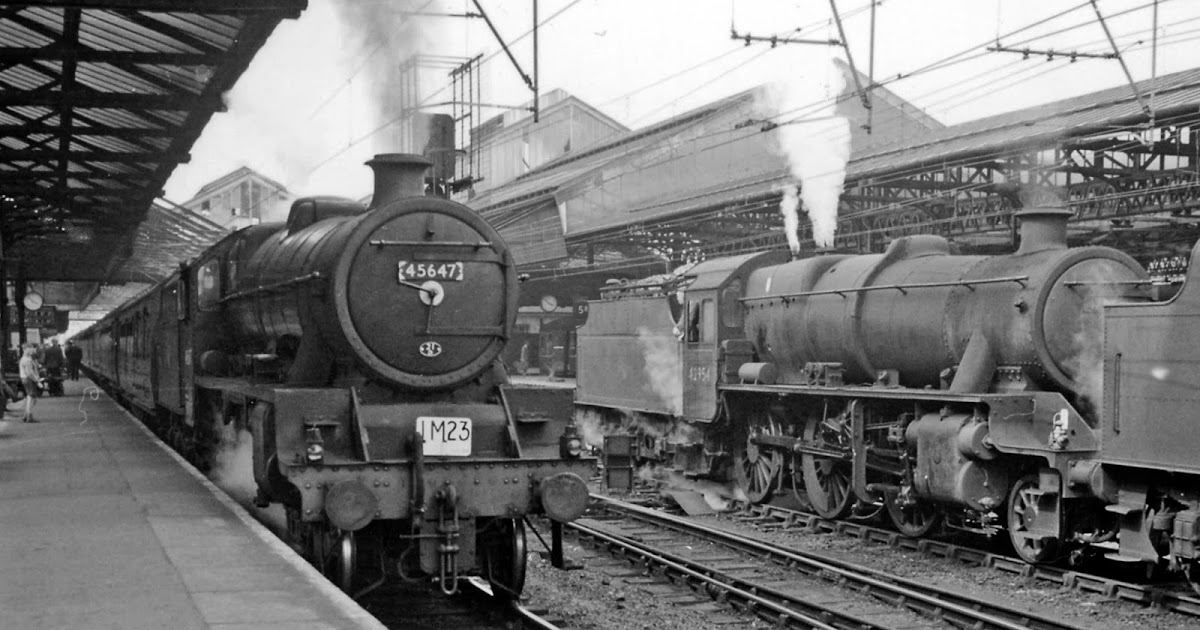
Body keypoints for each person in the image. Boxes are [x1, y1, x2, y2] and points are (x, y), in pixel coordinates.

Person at [18, 345, 42, 423]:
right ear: (25, 349)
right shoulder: (27, 360)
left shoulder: (26, 359)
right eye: (30, 349)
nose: (32, 350)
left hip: (25, 379)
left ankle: (26, 415)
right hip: (28, 380)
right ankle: (28, 415)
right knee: (32, 398)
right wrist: (37, 381)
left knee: (30, 397)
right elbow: (29, 373)